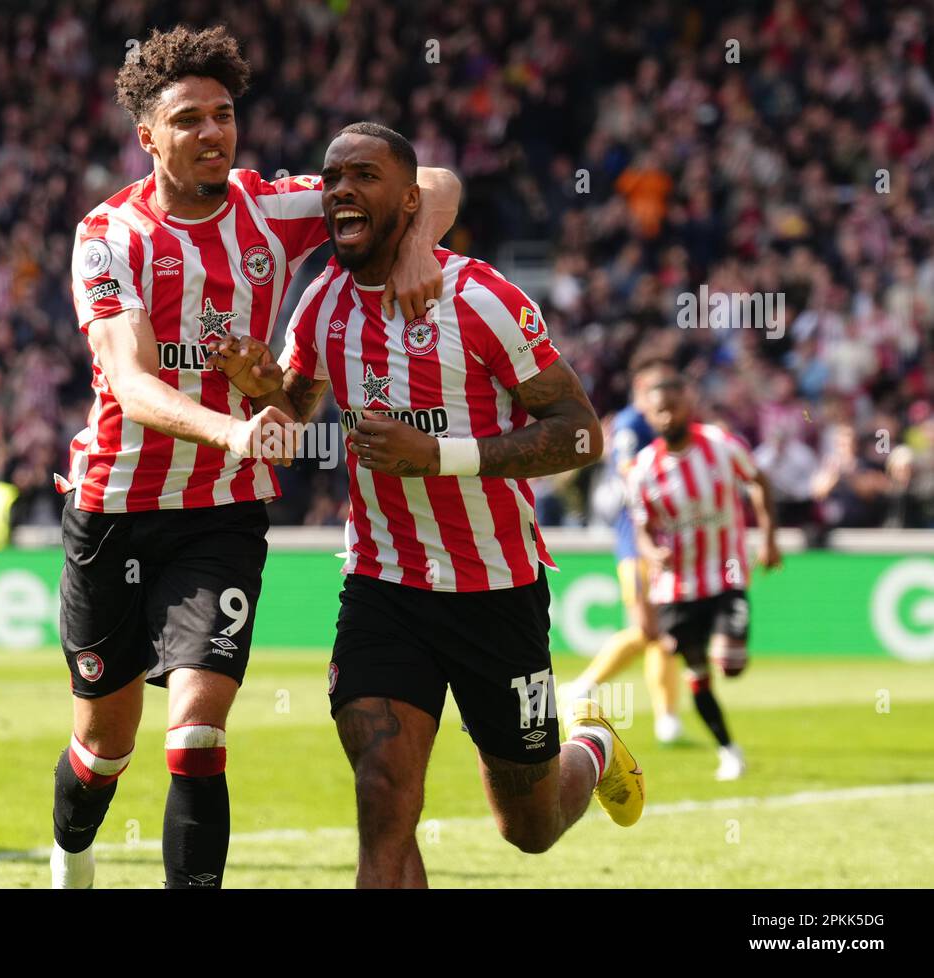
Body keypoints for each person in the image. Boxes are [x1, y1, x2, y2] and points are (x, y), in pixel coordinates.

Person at [52, 26, 461, 890]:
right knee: (105, 746)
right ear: (148, 138)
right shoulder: (108, 236)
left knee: (198, 730)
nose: (213, 133)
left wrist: (418, 238)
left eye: (225, 115)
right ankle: (73, 850)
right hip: (115, 506)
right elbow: (129, 378)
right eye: (189, 119)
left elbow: (430, 182)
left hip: (220, 515)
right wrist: (234, 428)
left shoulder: (272, 209)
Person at [211, 123, 642, 888]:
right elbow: (294, 409)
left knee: (530, 827)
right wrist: (260, 394)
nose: (341, 189)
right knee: (384, 796)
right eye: (333, 176)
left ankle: (593, 748)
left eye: (364, 176)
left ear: (410, 201)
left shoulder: (479, 298)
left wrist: (437, 454)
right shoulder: (321, 305)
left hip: (495, 591)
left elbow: (581, 437)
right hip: (384, 587)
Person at [625, 357, 782, 780]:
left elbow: (759, 482)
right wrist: (651, 554)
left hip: (726, 573)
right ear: (650, 414)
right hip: (676, 586)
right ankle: (729, 750)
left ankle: (722, 661)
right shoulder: (642, 469)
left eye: (672, 407)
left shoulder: (720, 444)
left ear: (686, 404)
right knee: (695, 670)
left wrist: (768, 536)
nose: (666, 416)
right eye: (658, 410)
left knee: (729, 661)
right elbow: (640, 529)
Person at [561, 355, 683, 743]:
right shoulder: (632, 424)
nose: (662, 401)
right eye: (654, 392)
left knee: (663, 632)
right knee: (648, 628)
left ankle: (667, 718)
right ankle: (583, 685)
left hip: (665, 539)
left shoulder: (662, 427)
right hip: (637, 540)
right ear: (640, 393)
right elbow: (628, 474)